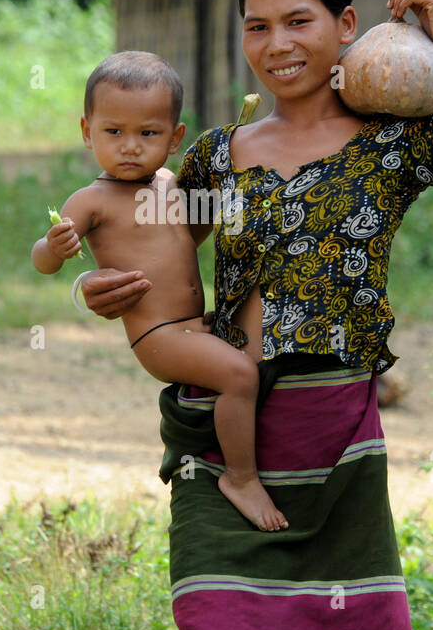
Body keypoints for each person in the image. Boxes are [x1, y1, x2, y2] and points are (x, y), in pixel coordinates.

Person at [80, 0, 433, 630]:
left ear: (346, 25)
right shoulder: (215, 155)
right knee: (219, 624)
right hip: (224, 436)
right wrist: (90, 288)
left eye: (297, 20)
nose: (276, 43)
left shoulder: (397, 145)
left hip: (333, 439)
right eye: (257, 26)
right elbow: (149, 252)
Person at [31, 51, 289, 531]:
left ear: (173, 139)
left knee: (250, 360)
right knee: (239, 376)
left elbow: (188, 236)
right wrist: (53, 246)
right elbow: (42, 263)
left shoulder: (171, 184)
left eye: (147, 134)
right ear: (87, 132)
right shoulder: (91, 201)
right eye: (114, 132)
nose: (130, 147)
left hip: (196, 324)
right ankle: (240, 478)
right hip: (160, 335)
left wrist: (221, 195)